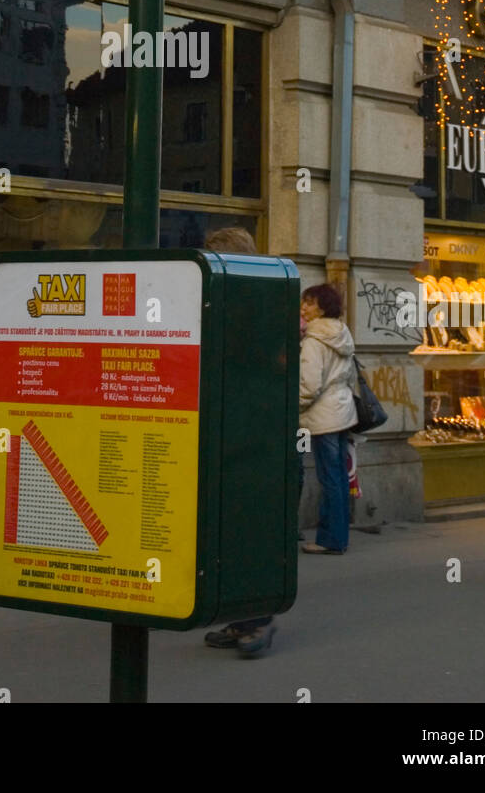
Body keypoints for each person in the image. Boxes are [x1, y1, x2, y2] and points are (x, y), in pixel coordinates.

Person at [200, 226, 283, 658]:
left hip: (257, 429)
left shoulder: (262, 301)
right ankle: (239, 616)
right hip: (232, 424)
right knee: (228, 527)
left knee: (252, 526)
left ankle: (258, 620)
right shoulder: (233, 298)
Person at [299, 282, 357, 555]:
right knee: (339, 477)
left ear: (321, 307)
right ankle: (339, 536)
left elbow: (309, 386)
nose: (303, 308)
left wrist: (294, 407)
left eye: (309, 303)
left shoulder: (313, 341)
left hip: (323, 416)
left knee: (329, 477)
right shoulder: (342, 334)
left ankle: (329, 540)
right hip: (343, 412)